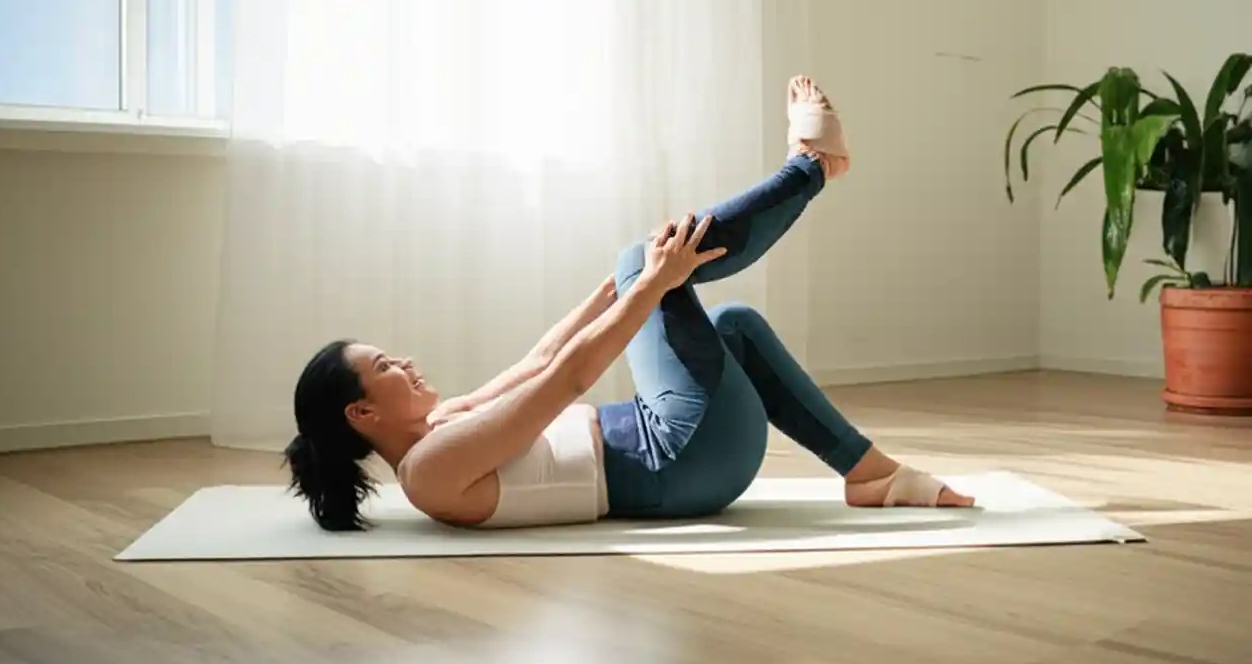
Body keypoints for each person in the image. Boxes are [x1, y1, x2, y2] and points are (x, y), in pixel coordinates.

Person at [285, 75, 974, 532]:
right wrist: (649, 280)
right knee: (647, 265)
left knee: (729, 322)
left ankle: (870, 474)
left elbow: (539, 361)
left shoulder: (440, 424)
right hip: (682, 461)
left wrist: (619, 285)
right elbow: (568, 381)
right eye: (384, 365)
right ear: (362, 411)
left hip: (686, 449)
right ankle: (810, 167)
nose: (403, 361)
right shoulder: (429, 473)